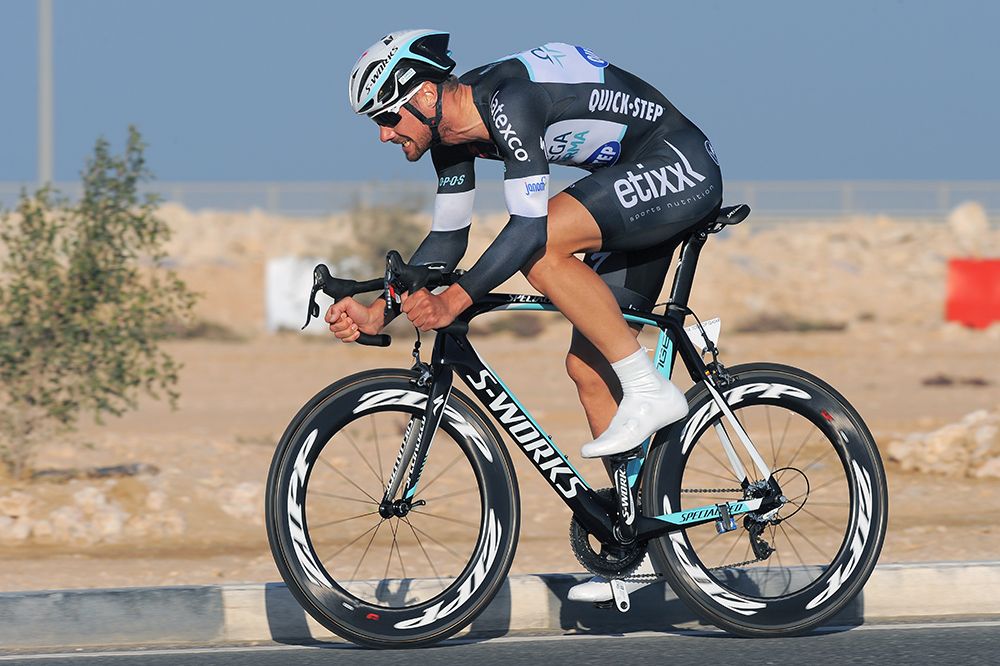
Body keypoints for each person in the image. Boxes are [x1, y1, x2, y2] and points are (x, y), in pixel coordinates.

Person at [328, 29, 723, 602]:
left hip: (677, 163)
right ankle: (635, 554)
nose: (385, 135)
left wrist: (456, 302)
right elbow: (445, 242)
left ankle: (649, 387)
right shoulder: (452, 138)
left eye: (386, 118)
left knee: (540, 248)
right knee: (589, 372)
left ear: (422, 94)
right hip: (634, 183)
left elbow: (527, 230)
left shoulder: (507, 100)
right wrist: (378, 313)